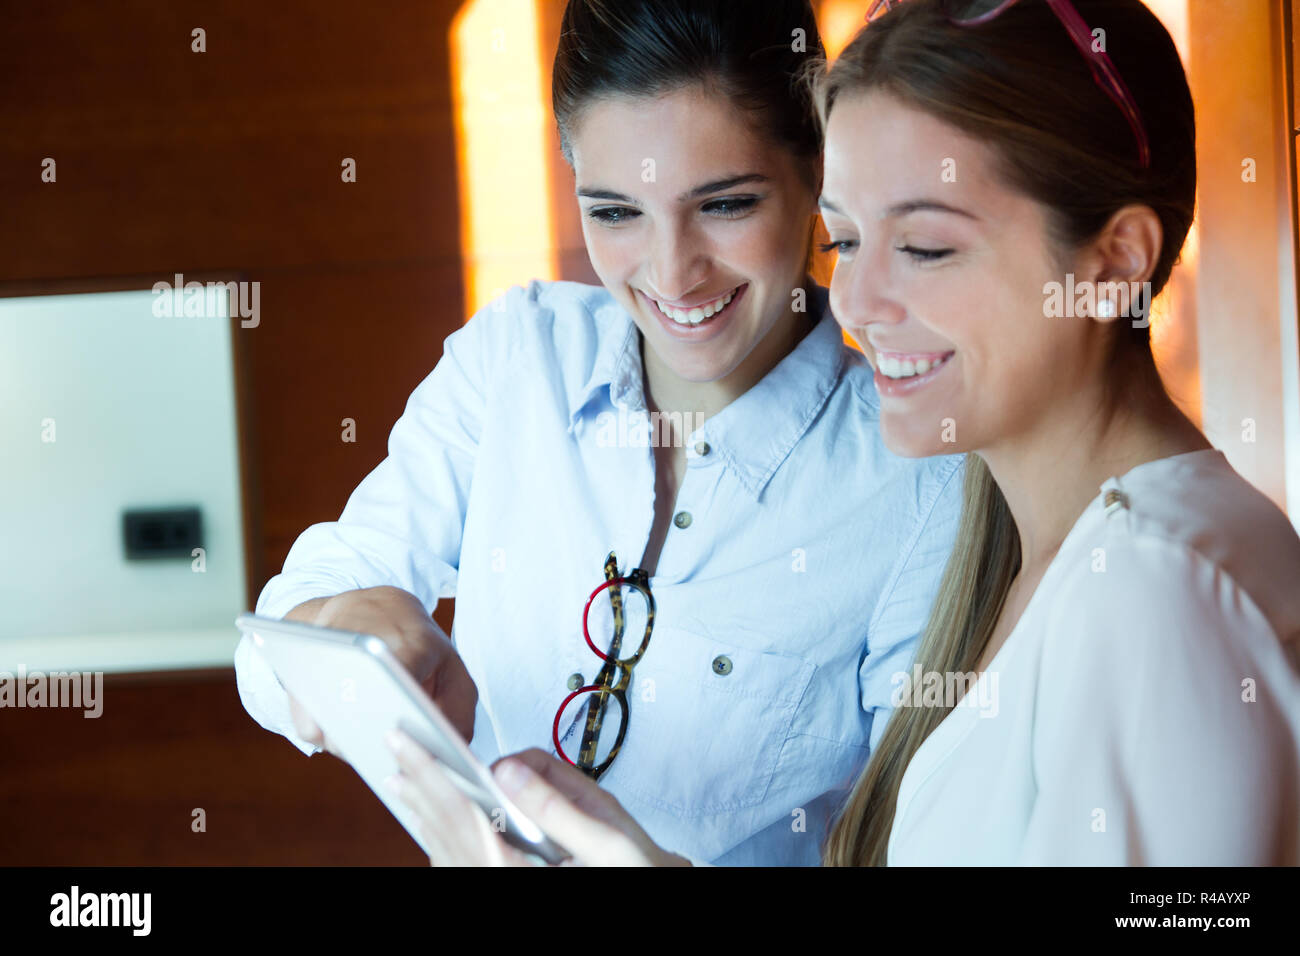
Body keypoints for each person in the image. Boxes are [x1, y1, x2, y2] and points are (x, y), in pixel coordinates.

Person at [389, 0, 1300, 866]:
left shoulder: (1152, 587)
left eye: (927, 248)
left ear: (1113, 263)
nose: (858, 305)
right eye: (848, 242)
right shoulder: (1034, 555)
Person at [235, 0, 963, 866]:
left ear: (817, 171)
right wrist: (346, 624)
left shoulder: (921, 480)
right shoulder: (517, 359)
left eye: (725, 204)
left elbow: (926, 845)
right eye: (616, 212)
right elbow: (276, 641)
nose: (671, 274)